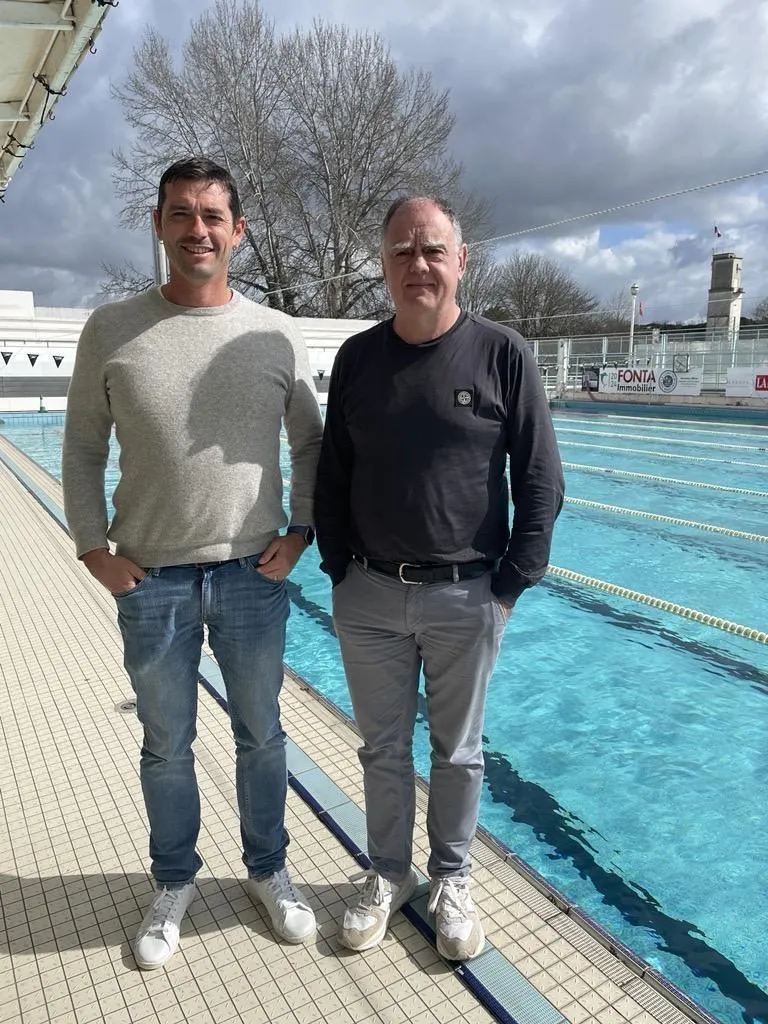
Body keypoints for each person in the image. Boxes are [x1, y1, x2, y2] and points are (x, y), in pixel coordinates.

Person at [62, 157, 324, 970]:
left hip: (253, 572)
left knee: (262, 737)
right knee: (166, 745)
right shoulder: (111, 327)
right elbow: (79, 447)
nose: (197, 229)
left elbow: (310, 441)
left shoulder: (275, 331)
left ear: (237, 231)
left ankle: (268, 869)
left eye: (213, 215)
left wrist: (302, 530)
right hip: (152, 579)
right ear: (159, 225)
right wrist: (92, 548)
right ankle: (173, 880)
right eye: (182, 214)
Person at [314, 196, 564, 961]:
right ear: (384, 266)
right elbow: (333, 471)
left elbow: (542, 479)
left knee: (458, 753)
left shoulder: (503, 353)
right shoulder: (359, 356)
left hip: (467, 592)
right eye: (400, 252)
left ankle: (451, 877)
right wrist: (337, 569)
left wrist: (512, 585)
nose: (417, 265)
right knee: (380, 750)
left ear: (460, 260)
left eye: (432, 250)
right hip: (369, 591)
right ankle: (386, 874)